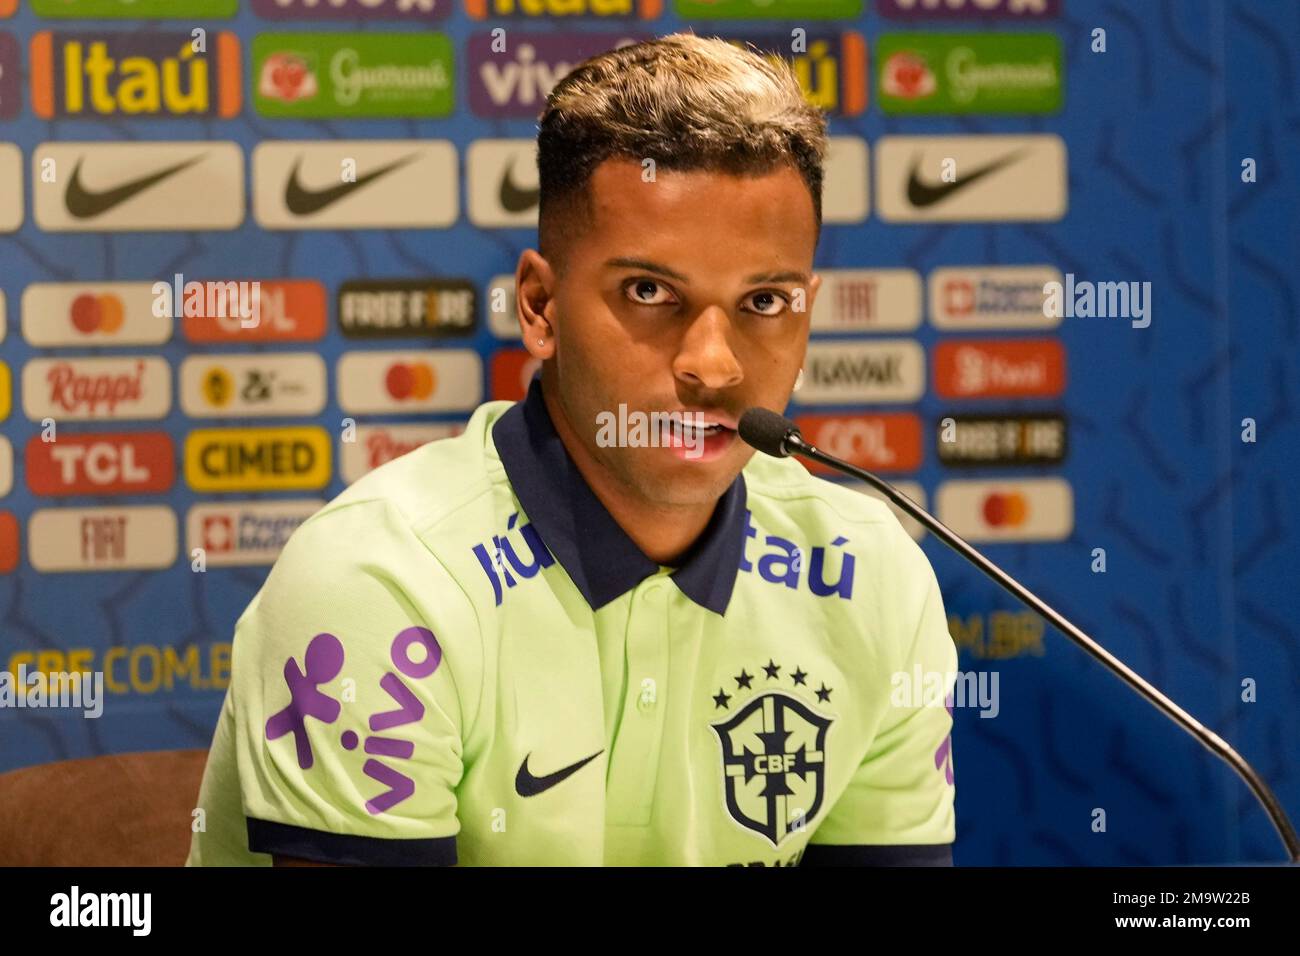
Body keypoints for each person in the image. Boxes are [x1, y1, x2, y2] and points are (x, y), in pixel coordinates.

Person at [187, 32, 957, 867]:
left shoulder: (870, 577)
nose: (714, 364)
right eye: (650, 292)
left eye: (764, 300)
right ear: (540, 308)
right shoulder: (381, 585)